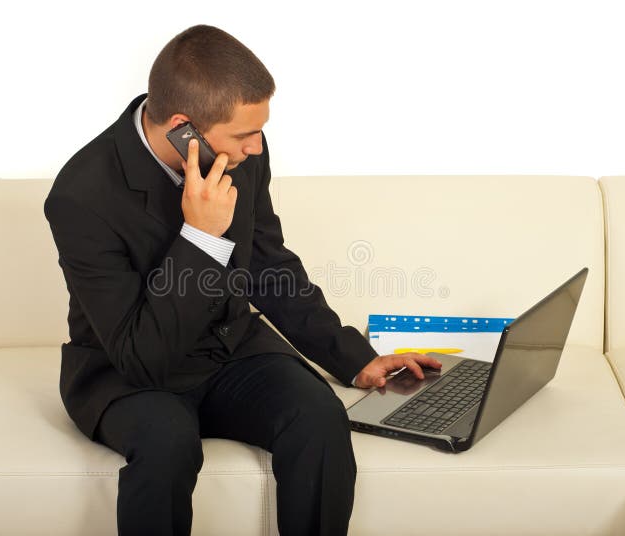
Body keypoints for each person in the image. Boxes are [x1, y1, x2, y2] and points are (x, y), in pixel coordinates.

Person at [44, 24, 441, 536]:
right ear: (184, 127)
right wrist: (200, 237)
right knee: (167, 444)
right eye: (243, 135)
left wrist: (354, 357)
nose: (256, 147)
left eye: (259, 131)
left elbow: (267, 264)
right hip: (128, 370)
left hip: (232, 347)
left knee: (318, 417)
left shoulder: (239, 151)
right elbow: (141, 356)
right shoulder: (82, 194)